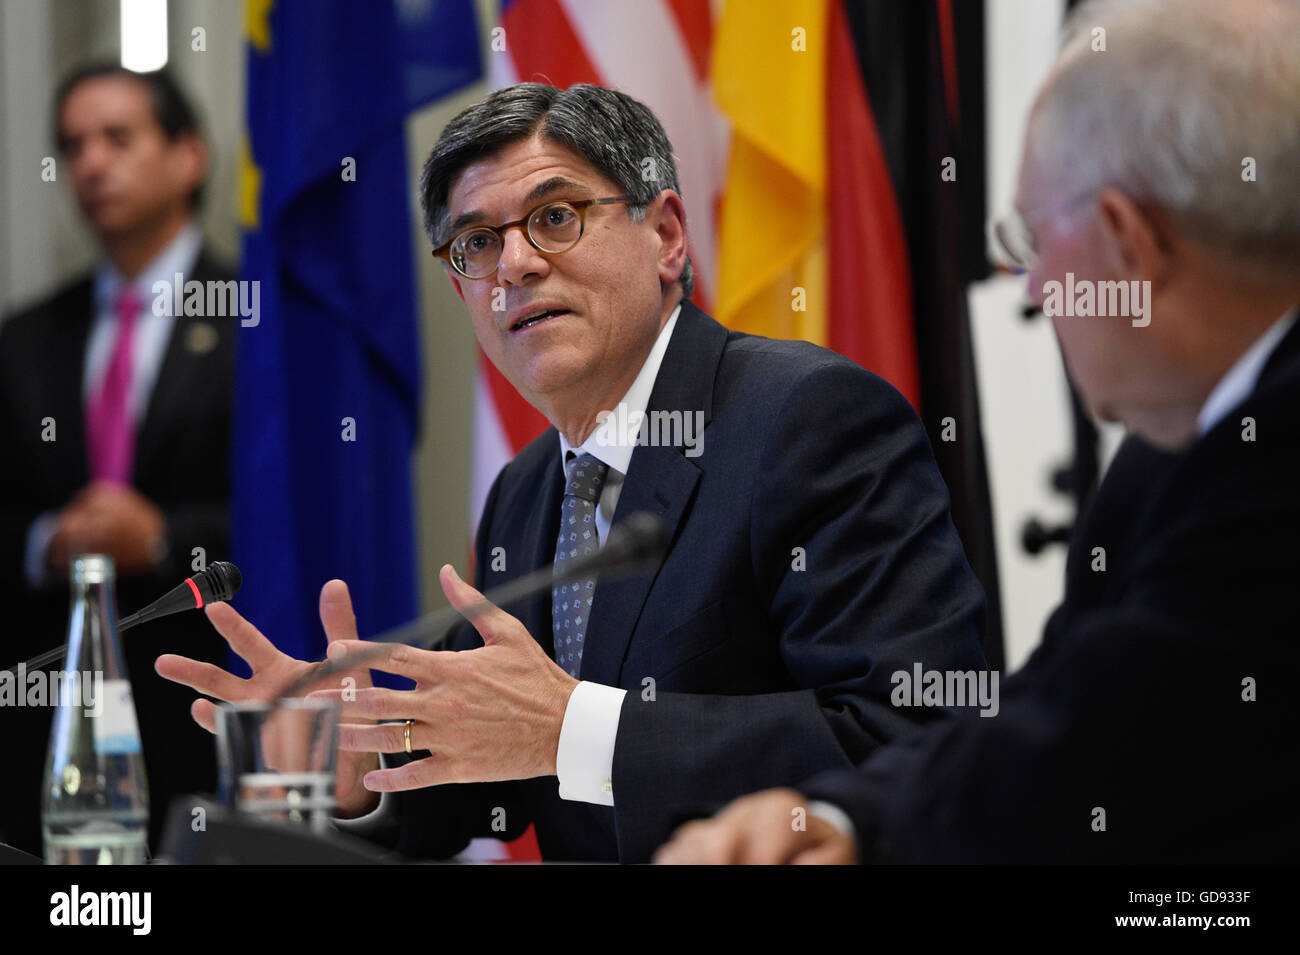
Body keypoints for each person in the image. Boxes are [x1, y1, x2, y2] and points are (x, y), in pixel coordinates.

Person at [156, 82, 989, 862]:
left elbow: (914, 735)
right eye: (477, 243)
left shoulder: (810, 417)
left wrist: (574, 728)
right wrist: (352, 767)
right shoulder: (526, 491)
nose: (513, 265)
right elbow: (488, 769)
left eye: (554, 217)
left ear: (665, 237)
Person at [654, 0, 1300, 864]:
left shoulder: (1267, 471)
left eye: (1029, 238)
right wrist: (842, 816)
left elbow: (1098, 749)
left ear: (1125, 240)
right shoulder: (1168, 455)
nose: (1031, 293)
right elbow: (1058, 696)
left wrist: (863, 830)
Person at [0, 64, 234, 855]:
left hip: (205, 713)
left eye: (118, 138)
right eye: (72, 146)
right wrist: (46, 542)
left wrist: (166, 538)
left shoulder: (259, 324)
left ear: (188, 156)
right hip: (49, 732)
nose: (91, 164)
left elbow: (293, 519)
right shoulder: (27, 336)